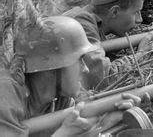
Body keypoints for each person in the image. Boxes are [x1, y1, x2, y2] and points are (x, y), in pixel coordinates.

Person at [0, 16, 142, 137]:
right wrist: (63, 134)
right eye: (78, 60)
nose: (85, 69)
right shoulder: (6, 93)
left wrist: (104, 124)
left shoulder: (61, 100)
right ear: (53, 67)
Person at [62, 0, 153, 90]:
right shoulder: (81, 25)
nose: (140, 19)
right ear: (114, 12)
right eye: (136, 12)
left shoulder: (88, 21)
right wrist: (142, 54)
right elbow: (103, 80)